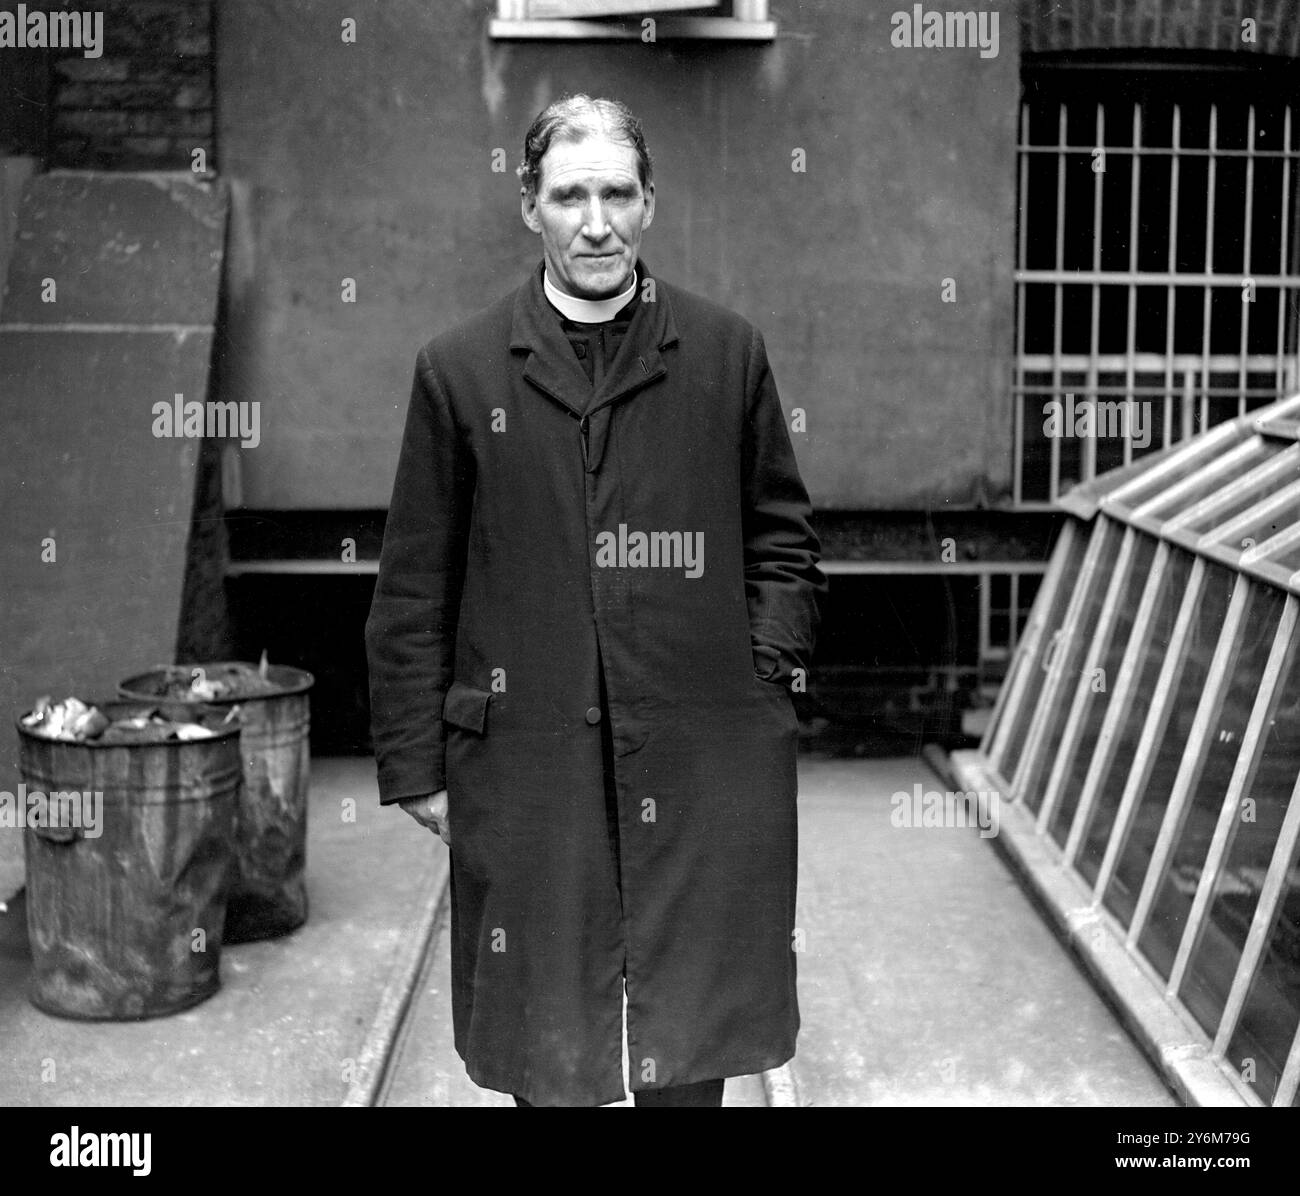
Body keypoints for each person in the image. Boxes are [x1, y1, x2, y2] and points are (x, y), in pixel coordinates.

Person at [365, 94, 825, 1108]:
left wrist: (762, 687)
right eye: (569, 195)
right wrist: (416, 765)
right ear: (528, 205)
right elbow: (412, 584)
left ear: (650, 202)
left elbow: (782, 537)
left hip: (699, 749)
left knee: (688, 1034)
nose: (596, 221)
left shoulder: (722, 353)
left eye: (618, 192)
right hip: (531, 759)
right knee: (550, 1041)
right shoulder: (460, 369)